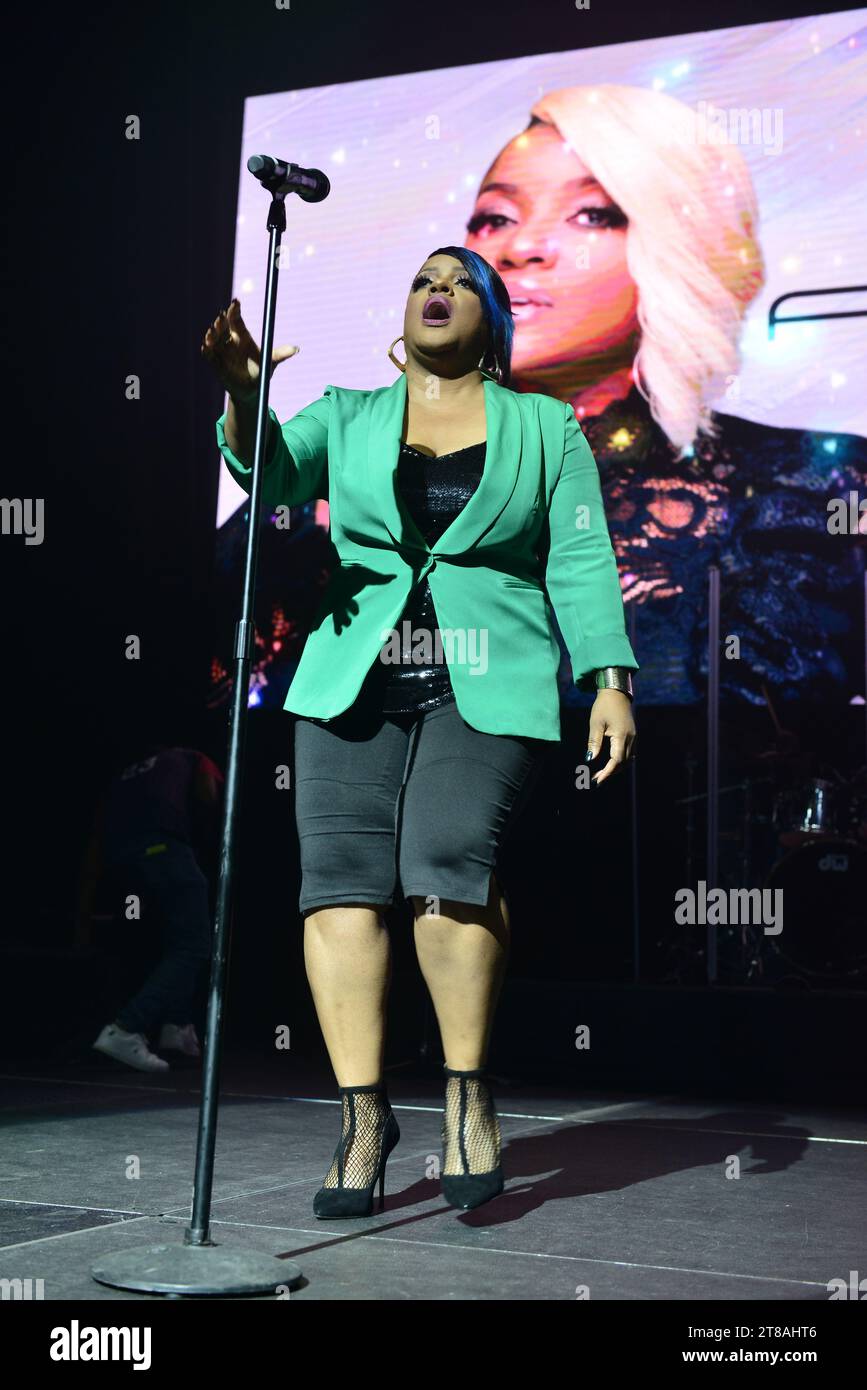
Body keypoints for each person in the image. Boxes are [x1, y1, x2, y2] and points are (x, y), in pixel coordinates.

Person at [201, 246, 638, 1215]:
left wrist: (608, 675)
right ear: (404, 318)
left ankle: (467, 1096)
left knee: (445, 861)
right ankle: (363, 1119)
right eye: (422, 280)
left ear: (492, 317)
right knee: (339, 890)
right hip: (353, 674)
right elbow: (268, 476)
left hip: (488, 676)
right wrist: (240, 395)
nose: (437, 290)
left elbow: (578, 556)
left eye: (460, 281)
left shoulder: (543, 427)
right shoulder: (350, 417)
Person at [463, 86, 867, 705]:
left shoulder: (807, 491)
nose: (518, 248)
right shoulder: (366, 487)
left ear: (676, 246)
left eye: (592, 214)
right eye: (495, 218)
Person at [82, 744, 223, 1073]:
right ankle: (127, 1028)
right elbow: (210, 798)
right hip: (164, 847)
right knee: (195, 944)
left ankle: (177, 1027)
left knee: (173, 941)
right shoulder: (196, 756)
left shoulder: (136, 769)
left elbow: (98, 827)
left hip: (121, 858)